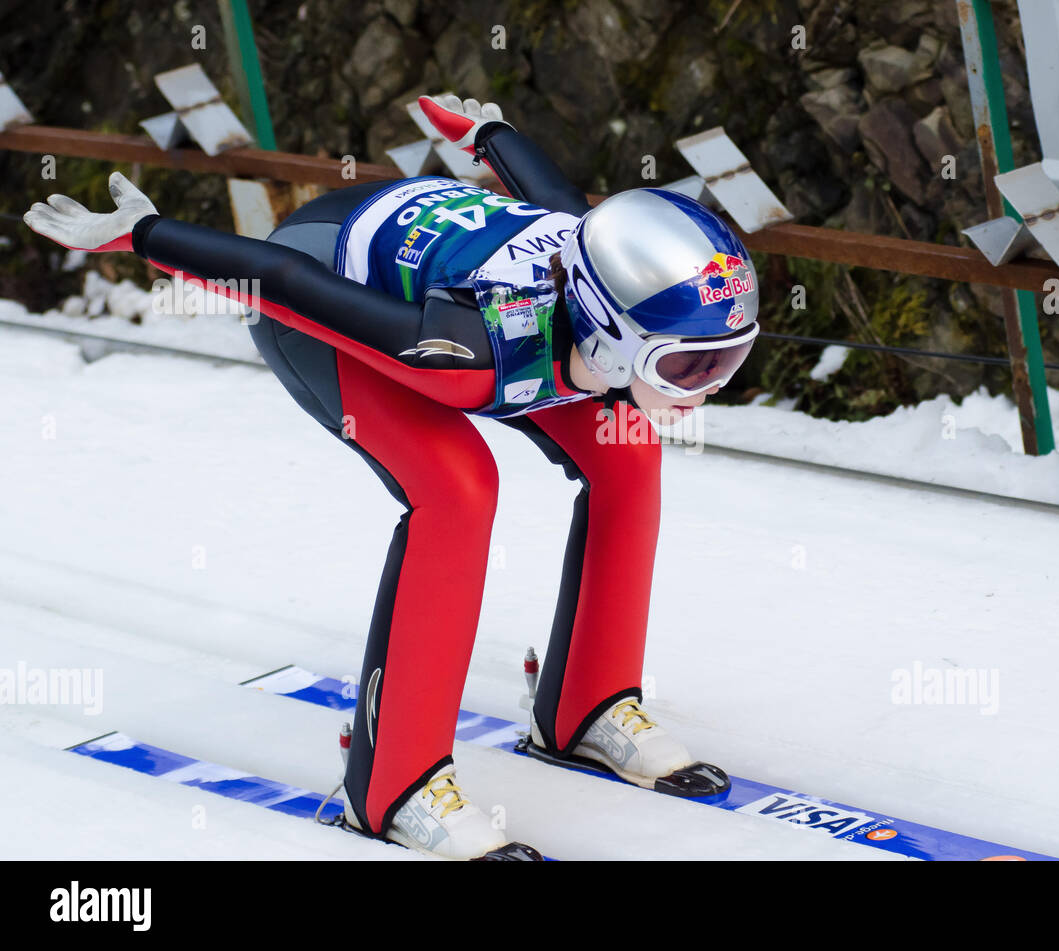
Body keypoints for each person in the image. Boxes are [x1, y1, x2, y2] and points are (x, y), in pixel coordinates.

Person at [24, 94, 759, 860]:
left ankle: (588, 703)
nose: (708, 388)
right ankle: (393, 787)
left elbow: (555, 199)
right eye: (688, 364)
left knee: (626, 444)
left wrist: (492, 136)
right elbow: (282, 280)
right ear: (609, 338)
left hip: (449, 264)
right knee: (457, 486)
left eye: (729, 358)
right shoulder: (461, 348)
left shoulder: (595, 258)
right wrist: (147, 234)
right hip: (326, 278)